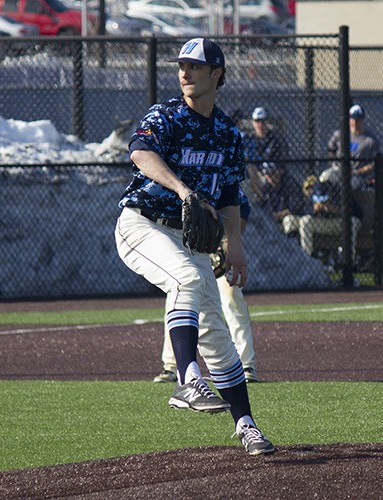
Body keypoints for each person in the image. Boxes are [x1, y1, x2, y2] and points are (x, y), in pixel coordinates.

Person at [113, 38, 275, 455]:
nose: (184, 72)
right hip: (143, 224)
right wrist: (184, 190)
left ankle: (247, 425)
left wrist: (234, 243)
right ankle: (187, 381)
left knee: (217, 335)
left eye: (195, 67)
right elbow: (141, 153)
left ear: (217, 74)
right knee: (184, 280)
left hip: (191, 241)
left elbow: (229, 197)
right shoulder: (166, 115)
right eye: (181, 65)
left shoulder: (227, 133)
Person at [154, 192, 261, 384]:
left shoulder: (216, 177)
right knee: (178, 299)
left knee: (231, 297)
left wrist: (229, 242)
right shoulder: (178, 182)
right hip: (185, 248)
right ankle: (171, 366)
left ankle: (245, 364)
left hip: (216, 248)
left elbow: (242, 206)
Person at [326, 104, 380, 228]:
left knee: (350, 184)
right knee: (326, 177)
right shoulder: (340, 134)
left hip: (357, 175)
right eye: (353, 119)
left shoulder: (370, 140)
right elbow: (330, 150)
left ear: (363, 120)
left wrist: (358, 172)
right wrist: (334, 165)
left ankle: (340, 209)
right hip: (338, 170)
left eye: (359, 119)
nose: (355, 122)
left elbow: (374, 163)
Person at [243, 106, 289, 202]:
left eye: (263, 121)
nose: (260, 124)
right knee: (250, 170)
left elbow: (283, 162)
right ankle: (262, 199)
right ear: (253, 122)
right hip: (255, 177)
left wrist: (271, 173)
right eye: (257, 121)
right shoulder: (248, 139)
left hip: (273, 174)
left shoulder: (276, 139)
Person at [256, 161, 309, 237]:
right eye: (268, 174)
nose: (271, 177)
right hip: (273, 220)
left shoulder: (289, 183)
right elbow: (262, 206)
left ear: (280, 171)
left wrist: (278, 215)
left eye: (273, 173)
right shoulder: (267, 187)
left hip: (293, 217)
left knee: (289, 220)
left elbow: (295, 209)